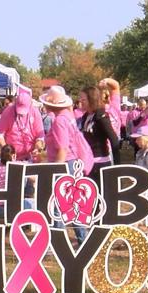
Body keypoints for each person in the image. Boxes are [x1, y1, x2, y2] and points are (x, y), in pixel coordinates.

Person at [41, 85, 94, 246]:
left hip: (65, 165)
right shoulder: (68, 116)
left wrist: (55, 170)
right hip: (74, 163)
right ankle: (82, 239)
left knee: (59, 204)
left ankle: (59, 242)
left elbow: (62, 148)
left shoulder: (59, 121)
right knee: (72, 203)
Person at [78, 85, 120, 187]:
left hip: (100, 162)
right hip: (87, 162)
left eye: (83, 99)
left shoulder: (101, 117)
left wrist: (118, 167)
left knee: (99, 196)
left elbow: (114, 139)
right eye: (80, 99)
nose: (80, 101)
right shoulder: (85, 117)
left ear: (92, 99)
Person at [0, 91, 44, 162]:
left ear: (30, 104)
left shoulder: (35, 112)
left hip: (30, 156)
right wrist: (6, 150)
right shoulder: (8, 111)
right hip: (11, 156)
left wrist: (38, 146)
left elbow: (40, 135)